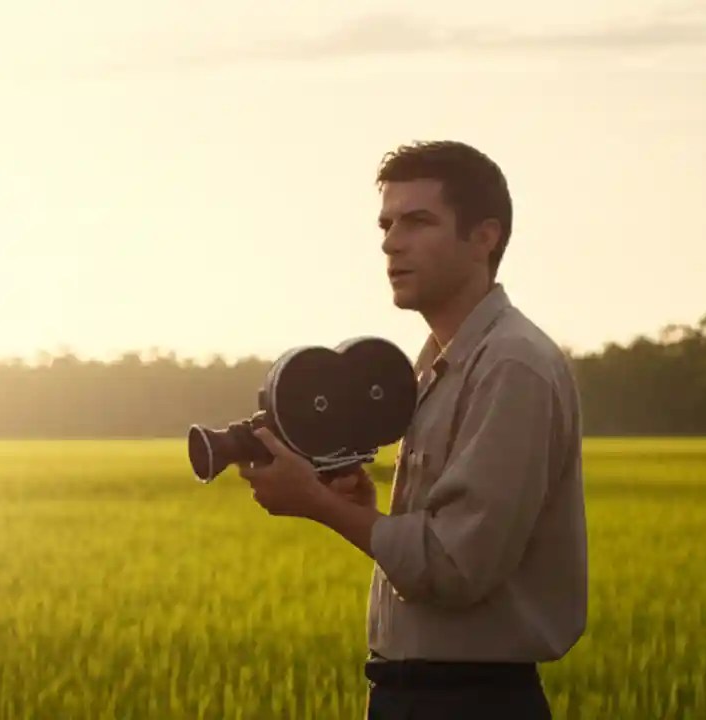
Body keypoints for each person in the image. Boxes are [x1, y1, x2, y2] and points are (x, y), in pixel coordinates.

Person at [238, 140, 587, 719]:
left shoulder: (511, 366)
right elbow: (441, 537)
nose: (391, 242)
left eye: (418, 221)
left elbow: (455, 565)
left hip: (470, 703)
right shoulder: (436, 365)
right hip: (418, 694)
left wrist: (320, 507)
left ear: (485, 237)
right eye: (386, 223)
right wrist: (371, 509)